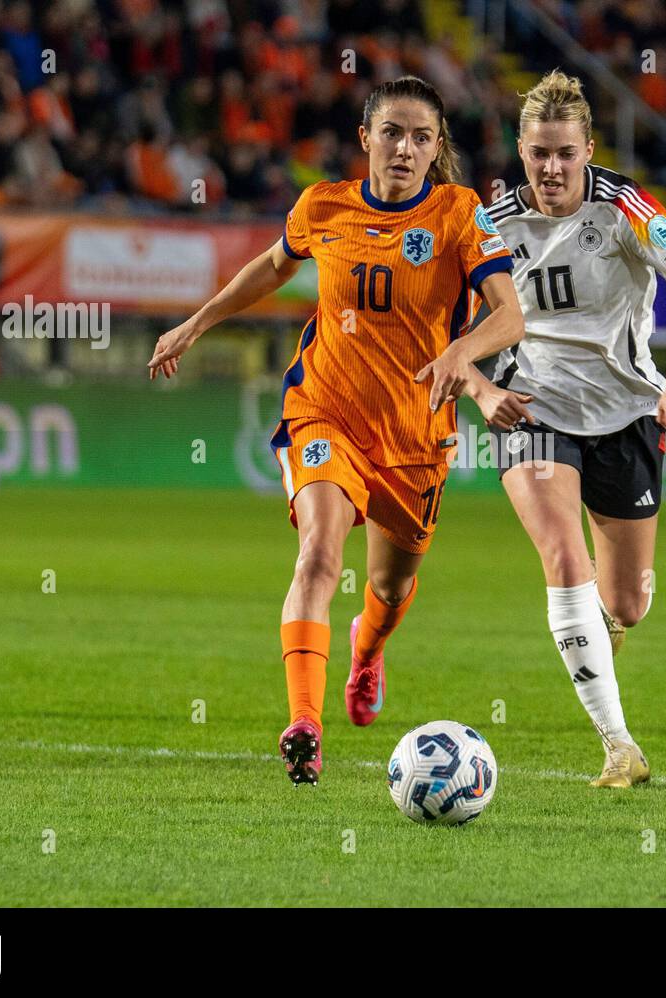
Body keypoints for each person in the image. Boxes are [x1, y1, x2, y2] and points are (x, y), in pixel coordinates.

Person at [148, 76, 531, 785]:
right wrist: (196, 323)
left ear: (437, 146)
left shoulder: (458, 213)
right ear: (365, 139)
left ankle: (367, 651)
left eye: (421, 137)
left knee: (386, 590)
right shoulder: (322, 205)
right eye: (391, 133)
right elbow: (271, 267)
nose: (405, 149)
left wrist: (460, 353)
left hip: (416, 438)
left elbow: (509, 316)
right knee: (319, 555)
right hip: (324, 411)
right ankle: (305, 723)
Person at [476, 71, 666, 787]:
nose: (552, 168)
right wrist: (475, 387)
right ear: (520, 152)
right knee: (564, 559)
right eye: (537, 154)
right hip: (533, 407)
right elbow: (453, 335)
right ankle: (619, 745)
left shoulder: (628, 208)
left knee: (626, 601)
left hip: (627, 412)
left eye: (565, 152)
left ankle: (601, 627)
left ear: (588, 147)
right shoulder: (491, 222)